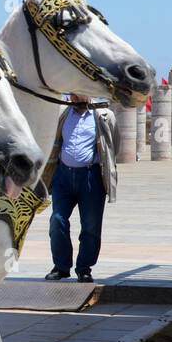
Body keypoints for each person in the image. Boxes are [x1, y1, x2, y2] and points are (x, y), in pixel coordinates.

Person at [46, 95, 118, 283]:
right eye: (73, 92)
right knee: (57, 220)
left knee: (91, 227)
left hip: (91, 177)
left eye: (79, 91)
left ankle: (84, 268)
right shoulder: (63, 113)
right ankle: (61, 267)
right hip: (63, 175)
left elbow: (112, 145)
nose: (75, 95)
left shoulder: (104, 115)